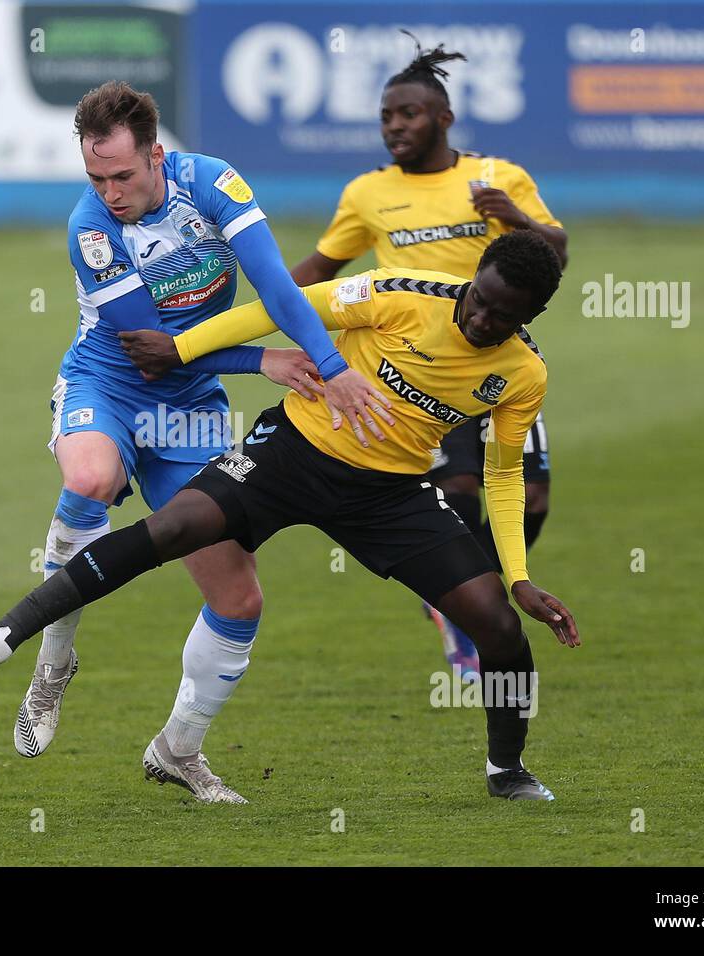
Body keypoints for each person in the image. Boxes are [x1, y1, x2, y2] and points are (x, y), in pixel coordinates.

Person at [0, 231, 579, 803]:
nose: (482, 320)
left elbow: (502, 469)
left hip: (393, 495)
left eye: (503, 316)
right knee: (175, 527)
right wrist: (180, 349)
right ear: (471, 280)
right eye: (479, 300)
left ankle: (507, 770)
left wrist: (518, 576)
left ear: (533, 315)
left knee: (498, 626)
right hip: (293, 454)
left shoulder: (523, 373)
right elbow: (280, 309)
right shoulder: (400, 293)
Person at [0, 80, 396, 793]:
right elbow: (155, 346)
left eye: (122, 175)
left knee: (238, 601)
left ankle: (177, 750)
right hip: (110, 386)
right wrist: (264, 360)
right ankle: (54, 662)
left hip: (190, 408)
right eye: (96, 177)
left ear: (157, 154)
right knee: (87, 480)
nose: (110, 192)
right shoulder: (90, 229)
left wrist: (331, 366)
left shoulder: (213, 184)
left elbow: (277, 287)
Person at [290, 38, 568, 682]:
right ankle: (464, 616)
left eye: (408, 114)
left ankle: (465, 599)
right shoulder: (368, 193)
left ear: (443, 117)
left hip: (496, 366)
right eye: (387, 116)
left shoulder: (497, 179)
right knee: (461, 488)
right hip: (412, 367)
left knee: (532, 500)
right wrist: (265, 298)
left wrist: (516, 218)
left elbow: (554, 255)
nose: (394, 127)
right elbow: (323, 268)